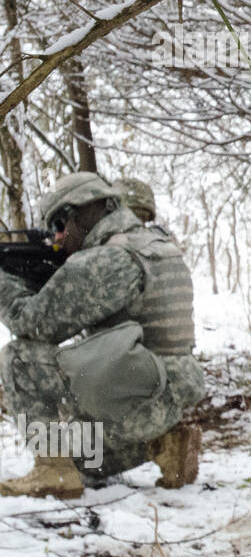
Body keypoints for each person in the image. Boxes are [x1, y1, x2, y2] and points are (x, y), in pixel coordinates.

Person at [0, 173, 204, 498]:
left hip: (139, 394)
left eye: (61, 225)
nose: (59, 238)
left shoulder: (107, 259)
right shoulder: (156, 246)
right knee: (82, 460)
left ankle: (52, 471)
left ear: (82, 211)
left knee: (20, 356)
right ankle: (163, 444)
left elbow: (32, 324)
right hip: (165, 395)